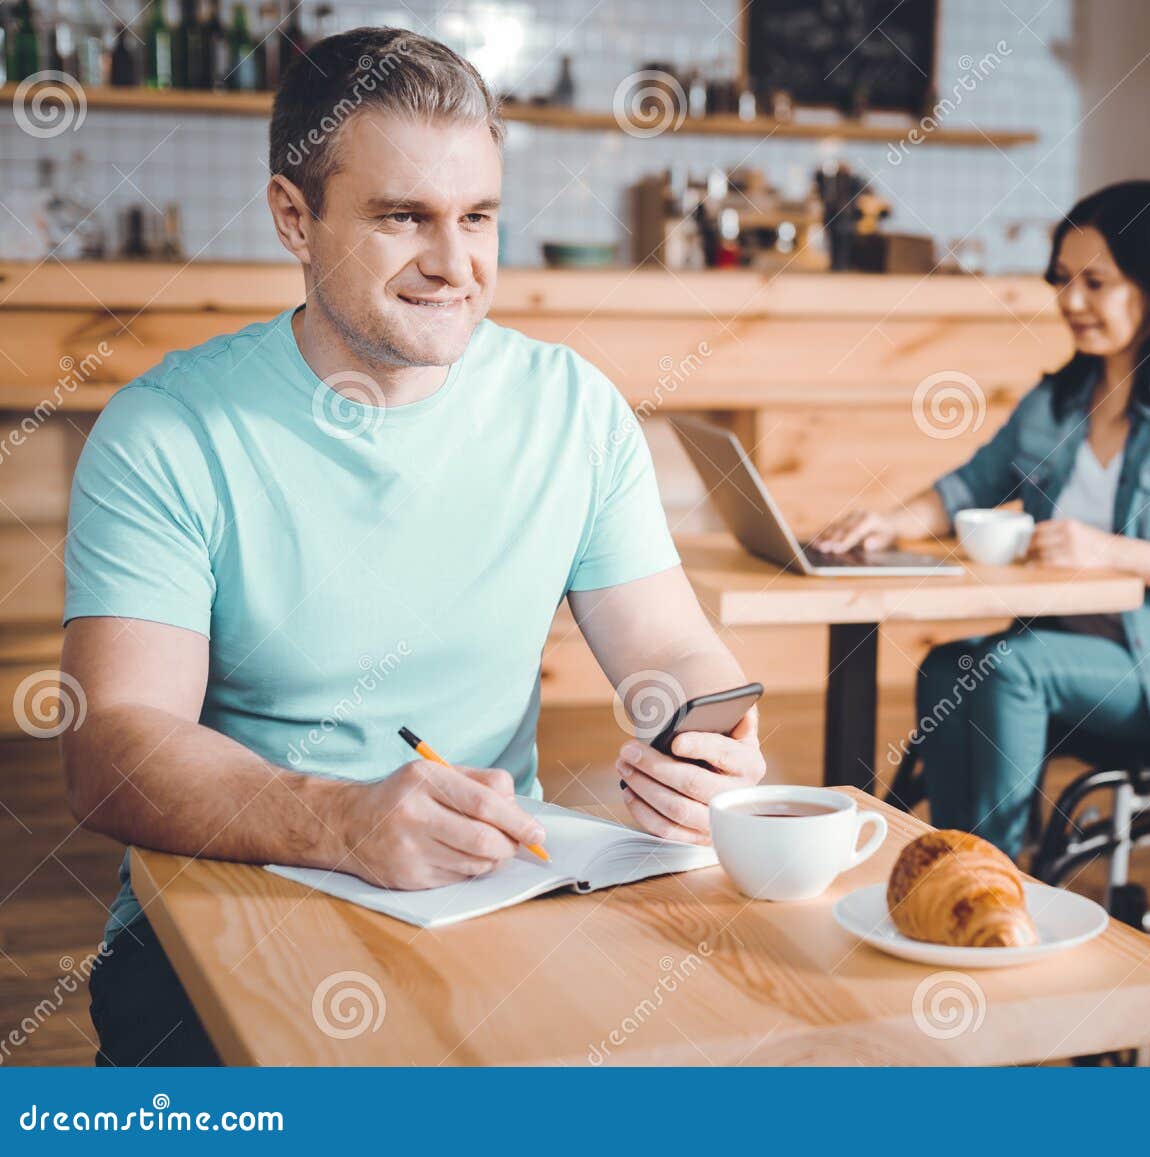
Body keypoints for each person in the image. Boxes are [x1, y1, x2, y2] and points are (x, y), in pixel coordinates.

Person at [62, 28, 765, 1067]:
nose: (454, 264)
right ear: (293, 218)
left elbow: (667, 642)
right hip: (223, 907)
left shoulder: (572, 408)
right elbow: (112, 745)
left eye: (478, 216)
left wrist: (711, 750)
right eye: (404, 218)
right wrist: (341, 822)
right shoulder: (168, 430)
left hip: (494, 893)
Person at [815, 180, 1150, 858]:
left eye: (1096, 282)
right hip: (1070, 644)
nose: (1070, 301)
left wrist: (1110, 550)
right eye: (1063, 280)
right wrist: (887, 522)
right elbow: (965, 487)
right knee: (948, 667)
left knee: (1011, 667)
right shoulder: (1058, 399)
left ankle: (1002, 878)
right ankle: (953, 867)